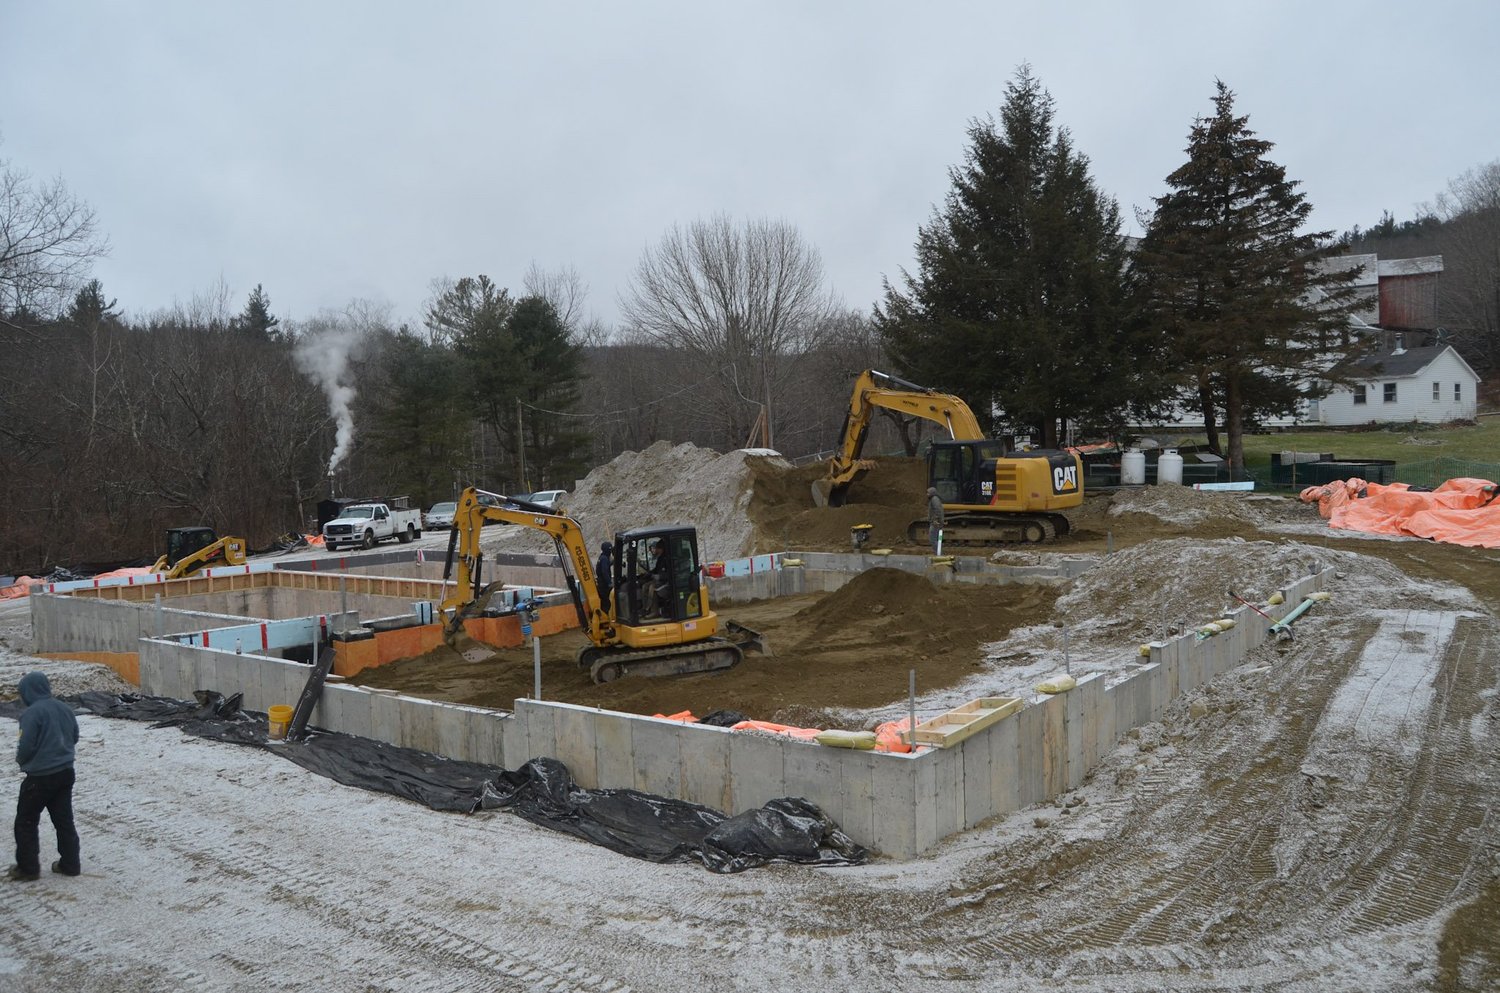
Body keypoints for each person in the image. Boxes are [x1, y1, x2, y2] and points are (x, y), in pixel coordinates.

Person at [9, 671, 80, 882]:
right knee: (64, 820)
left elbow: (26, 746)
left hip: (39, 777)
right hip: (66, 773)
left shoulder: (32, 714)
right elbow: (74, 736)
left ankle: (28, 869)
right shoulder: (65, 709)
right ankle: (70, 864)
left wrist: (22, 762)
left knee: (26, 822)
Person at [927, 486, 946, 555]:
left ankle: (939, 554)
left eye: (928, 493)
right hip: (936, 522)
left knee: (932, 539)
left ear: (932, 493)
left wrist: (936, 520)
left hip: (935, 523)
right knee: (936, 539)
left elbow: (938, 510)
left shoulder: (934, 499)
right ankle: (939, 553)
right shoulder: (934, 499)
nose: (927, 494)